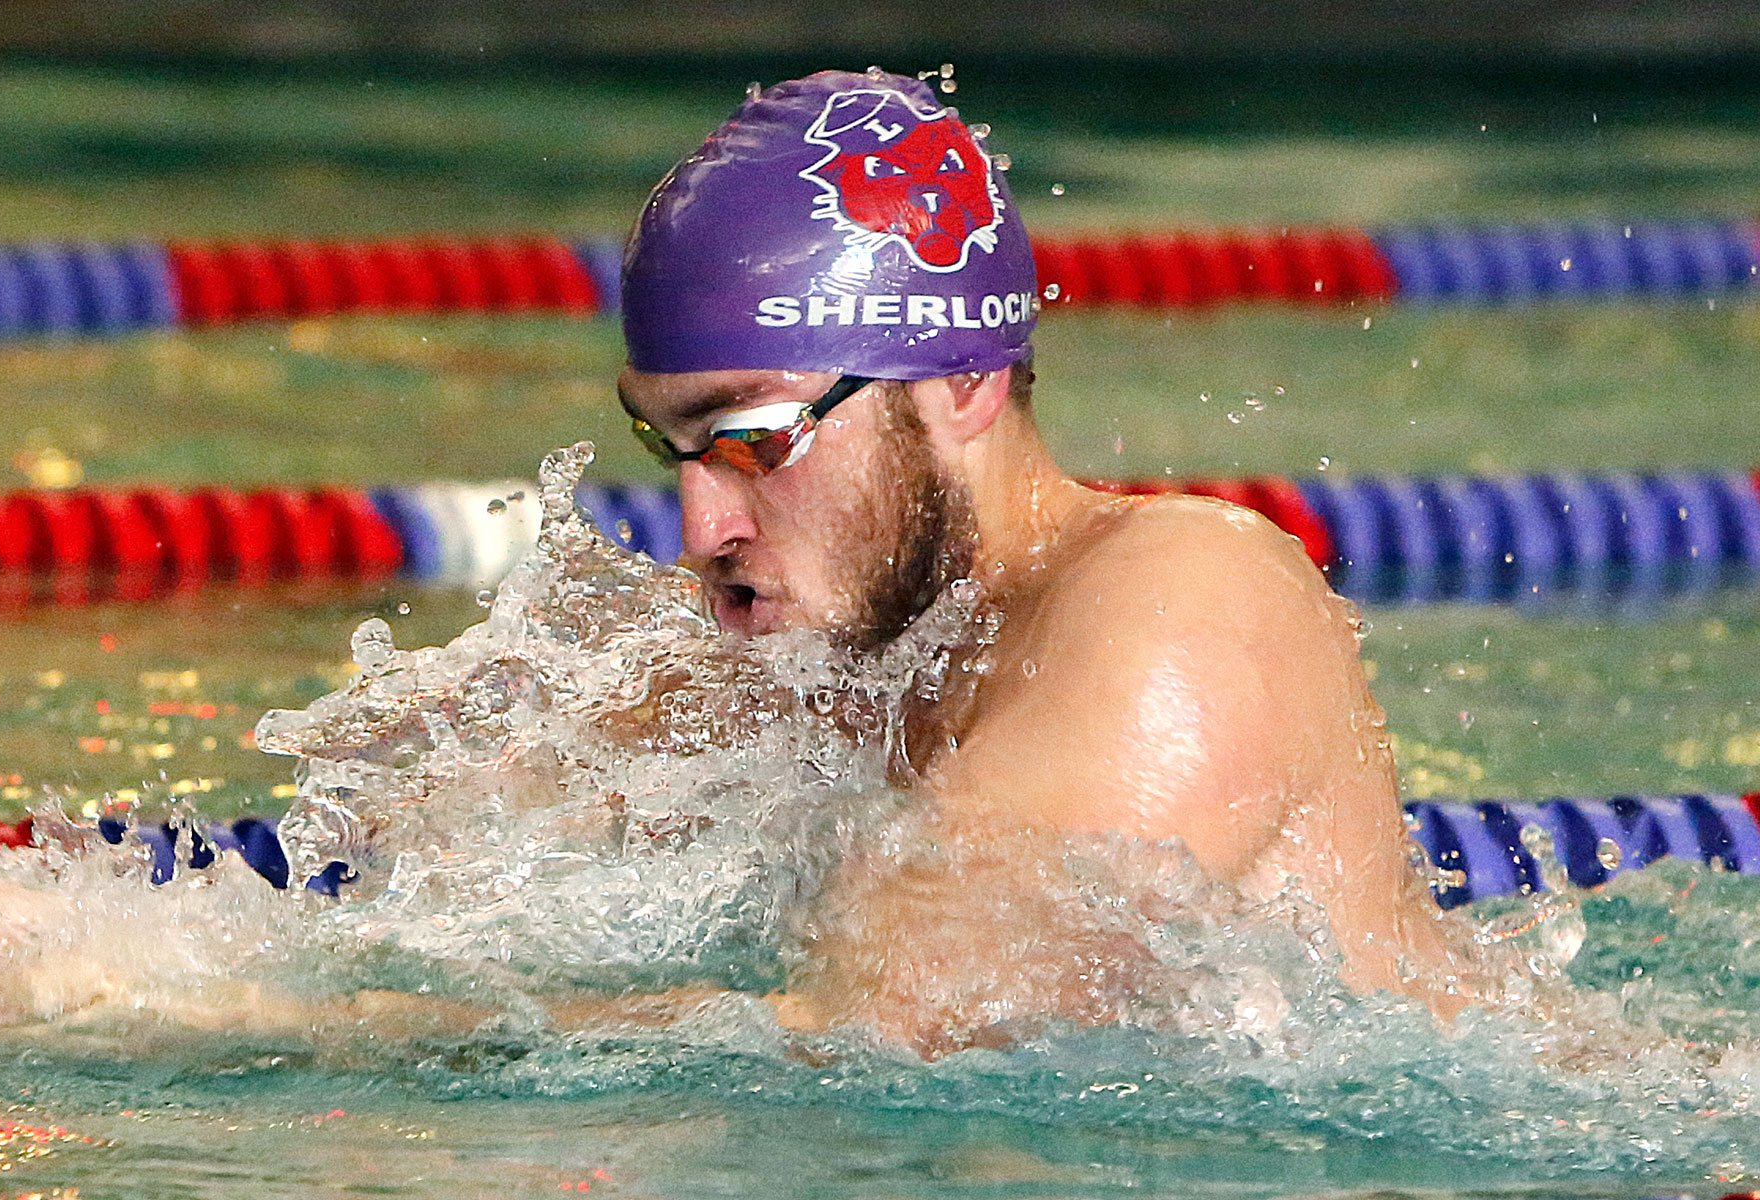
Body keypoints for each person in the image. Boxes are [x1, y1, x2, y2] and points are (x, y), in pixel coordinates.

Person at [613, 69, 1477, 1050]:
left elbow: (880, 1033)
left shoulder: (1185, 599)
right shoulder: (838, 659)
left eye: (756, 437)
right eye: (666, 446)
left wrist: (418, 1037)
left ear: (965, 382)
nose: (700, 530)